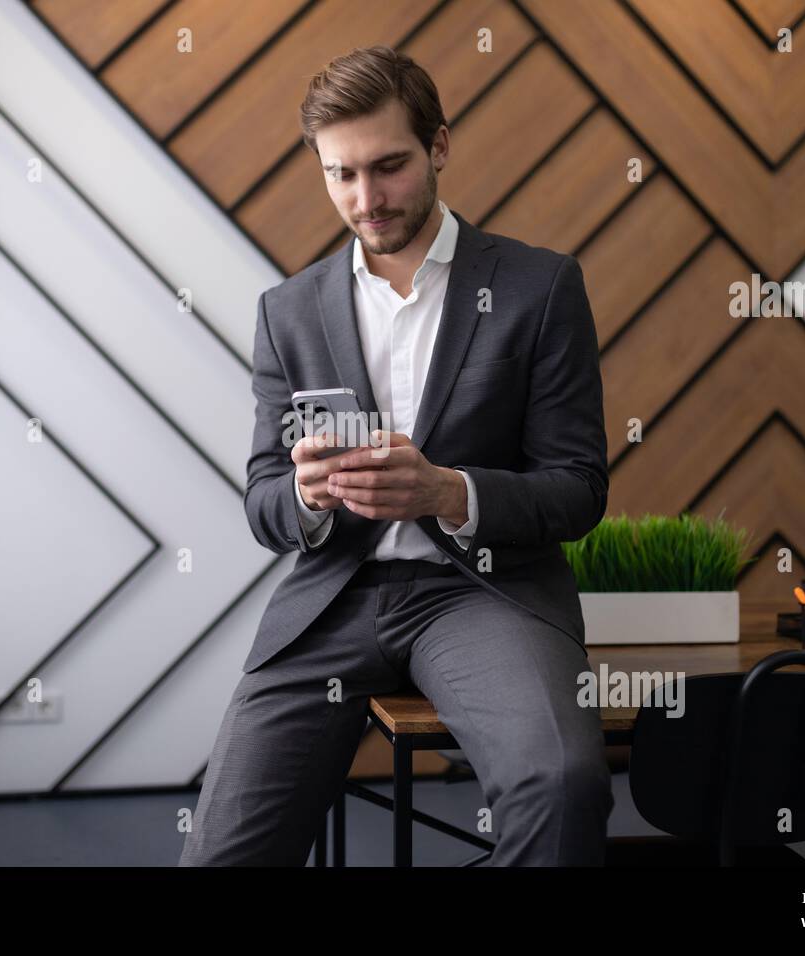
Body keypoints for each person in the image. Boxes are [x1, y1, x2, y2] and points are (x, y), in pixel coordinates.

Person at [179, 45, 613, 866]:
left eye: (388, 167)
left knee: (562, 787)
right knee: (221, 854)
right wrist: (307, 496)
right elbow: (263, 501)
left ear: (440, 146)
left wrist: (449, 491)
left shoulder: (539, 287)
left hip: (480, 593)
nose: (366, 200)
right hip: (332, 601)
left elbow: (578, 490)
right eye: (341, 175)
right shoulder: (289, 312)